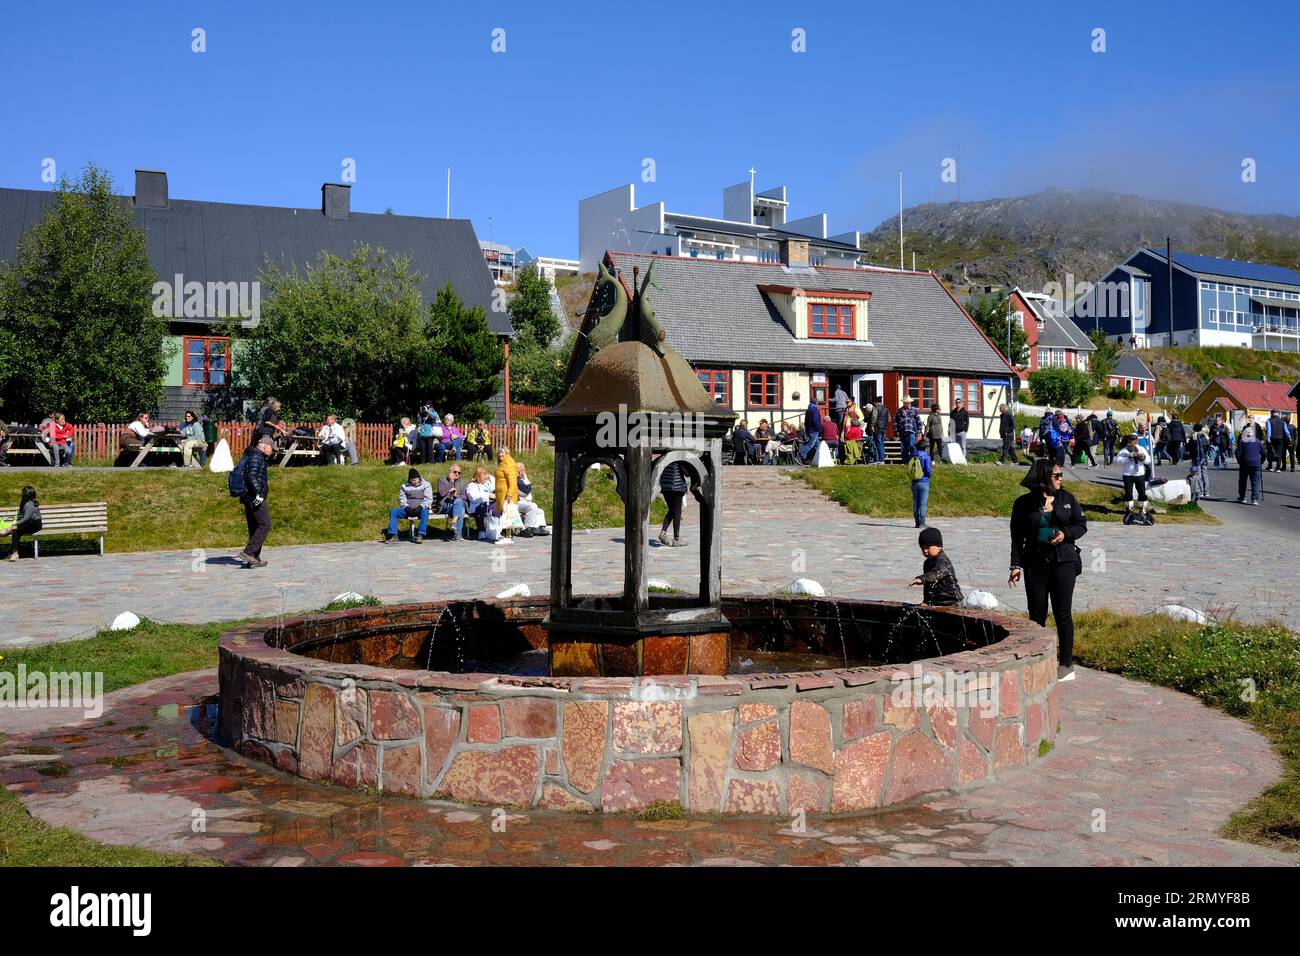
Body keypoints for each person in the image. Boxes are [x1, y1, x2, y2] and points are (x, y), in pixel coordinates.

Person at [1009, 458, 1087, 681]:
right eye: (1057, 475)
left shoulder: (1067, 499)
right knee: (1036, 613)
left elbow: (1081, 525)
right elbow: (1016, 537)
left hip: (1064, 561)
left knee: (1063, 613)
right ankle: (1037, 659)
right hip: (1035, 561)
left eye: (1062, 475)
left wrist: (1066, 535)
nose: (1061, 479)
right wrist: (1016, 565)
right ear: (1044, 478)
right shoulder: (1023, 504)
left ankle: (1065, 664)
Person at [236, 435, 275, 567]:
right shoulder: (257, 457)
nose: (272, 450)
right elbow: (251, 476)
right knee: (265, 524)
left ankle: (253, 558)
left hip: (248, 495)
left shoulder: (253, 455)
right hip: (254, 496)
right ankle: (249, 552)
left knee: (255, 526)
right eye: (271, 448)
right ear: (264, 446)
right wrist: (259, 494)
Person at [909, 526, 962, 607]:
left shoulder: (943, 561)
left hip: (952, 602)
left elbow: (935, 574)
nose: (925, 551)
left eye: (928, 547)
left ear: (939, 546)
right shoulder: (927, 563)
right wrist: (926, 601)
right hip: (937, 602)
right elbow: (928, 586)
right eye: (922, 548)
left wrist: (922, 578)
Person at [386, 468, 433, 543]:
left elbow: (428, 499)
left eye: (416, 479)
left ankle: (420, 535)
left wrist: (420, 507)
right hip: (408, 510)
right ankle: (393, 535)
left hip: (420, 509)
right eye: (413, 480)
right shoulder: (404, 486)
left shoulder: (426, 485)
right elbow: (402, 499)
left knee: (425, 511)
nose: (415, 482)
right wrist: (406, 507)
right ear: (409, 480)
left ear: (419, 478)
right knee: (394, 511)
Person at [1116, 434, 1151, 519]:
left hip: (1139, 474)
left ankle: (1142, 509)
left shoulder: (1141, 449)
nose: (1133, 442)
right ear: (1129, 441)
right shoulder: (1124, 450)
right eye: (1132, 440)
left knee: (1142, 492)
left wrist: (1143, 457)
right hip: (1128, 474)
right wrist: (1128, 457)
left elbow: (1148, 461)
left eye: (1135, 440)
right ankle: (1129, 509)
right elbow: (1118, 461)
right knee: (1128, 493)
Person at [5, 485, 41, 561]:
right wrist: (16, 521)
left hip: (34, 525)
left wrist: (16, 524)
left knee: (17, 528)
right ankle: (15, 553)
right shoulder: (23, 502)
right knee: (16, 531)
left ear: (25, 494)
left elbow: (26, 518)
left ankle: (8, 531)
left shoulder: (29, 505)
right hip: (26, 523)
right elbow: (20, 514)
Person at [514, 462, 549, 536]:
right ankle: (528, 528)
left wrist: (525, 478)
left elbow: (528, 488)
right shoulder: (516, 479)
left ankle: (539, 527)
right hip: (517, 502)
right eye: (522, 470)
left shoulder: (521, 479)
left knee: (540, 511)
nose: (523, 471)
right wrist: (525, 478)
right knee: (532, 506)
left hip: (524, 502)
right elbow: (527, 490)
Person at [436, 463, 469, 541]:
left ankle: (454, 523)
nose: (457, 474)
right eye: (455, 472)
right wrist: (451, 482)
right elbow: (442, 493)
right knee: (460, 508)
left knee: (459, 504)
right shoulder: (442, 480)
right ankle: (458, 534)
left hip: (456, 505)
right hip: (445, 505)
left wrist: (456, 495)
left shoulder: (463, 483)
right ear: (450, 472)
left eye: (459, 472)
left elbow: (465, 496)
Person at [658, 460, 688, 547]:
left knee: (671, 510)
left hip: (665, 486)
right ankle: (676, 539)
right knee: (677, 512)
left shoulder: (663, 457)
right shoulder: (678, 457)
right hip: (677, 486)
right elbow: (686, 472)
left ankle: (663, 532)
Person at [1236, 420, 1264, 506]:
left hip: (1245, 463)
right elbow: (1264, 453)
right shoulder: (1258, 441)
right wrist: (1261, 462)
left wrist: (1240, 462)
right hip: (1256, 464)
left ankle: (1242, 497)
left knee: (1243, 481)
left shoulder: (1242, 441)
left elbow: (1238, 454)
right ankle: (1255, 499)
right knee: (1255, 481)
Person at [465, 465, 496, 538]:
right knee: (480, 509)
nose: (486, 477)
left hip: (488, 505)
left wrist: (489, 476)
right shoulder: (471, 485)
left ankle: (495, 531)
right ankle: (481, 531)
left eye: (486, 474)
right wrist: (488, 495)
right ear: (478, 476)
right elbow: (473, 497)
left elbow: (494, 483)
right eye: (484, 475)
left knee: (496, 508)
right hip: (476, 507)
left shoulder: (487, 484)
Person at [495, 446, 519, 539]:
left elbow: (513, 482)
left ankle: (508, 536)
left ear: (507, 453)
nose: (500, 454)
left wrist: (509, 495)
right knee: (505, 515)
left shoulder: (509, 463)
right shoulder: (502, 463)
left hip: (507, 495)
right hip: (502, 494)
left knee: (508, 516)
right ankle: (506, 536)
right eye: (499, 452)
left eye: (502, 452)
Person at [908, 443, 932, 528]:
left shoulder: (912, 455)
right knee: (923, 503)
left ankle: (917, 522)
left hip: (914, 481)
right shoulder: (926, 456)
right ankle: (922, 523)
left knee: (916, 502)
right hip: (924, 481)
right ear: (925, 448)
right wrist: (929, 475)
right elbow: (928, 470)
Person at [798, 392, 822, 465]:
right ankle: (799, 456)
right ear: (816, 403)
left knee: (817, 446)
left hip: (809, 429)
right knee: (810, 444)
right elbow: (815, 421)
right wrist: (819, 429)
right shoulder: (814, 409)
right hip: (814, 430)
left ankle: (809, 460)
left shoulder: (808, 409)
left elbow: (806, 421)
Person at [1190, 423, 1212, 500]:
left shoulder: (1194, 437)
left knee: (1198, 475)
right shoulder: (1205, 436)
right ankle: (1206, 492)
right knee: (1204, 474)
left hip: (1196, 458)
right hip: (1204, 457)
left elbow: (1190, 448)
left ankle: (1201, 491)